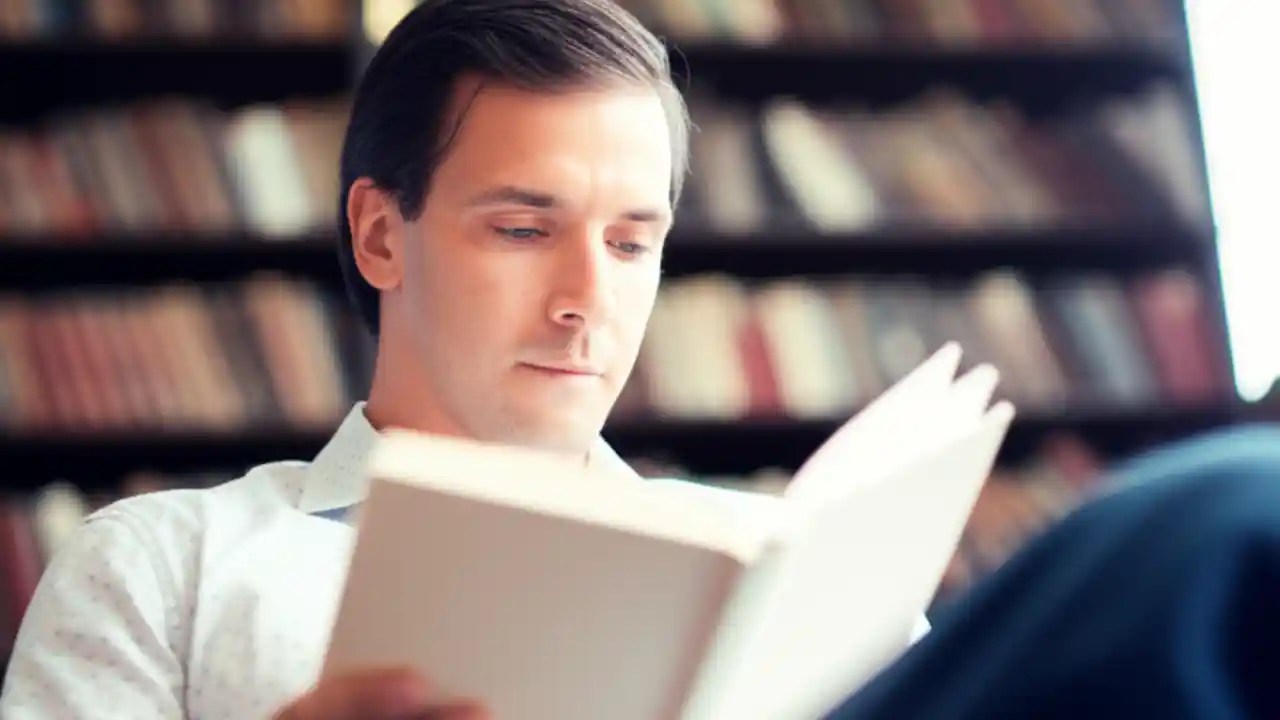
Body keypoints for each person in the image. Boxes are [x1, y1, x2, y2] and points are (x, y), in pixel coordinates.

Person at [2, 2, 1277, 720]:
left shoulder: (777, 578)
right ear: (381, 231)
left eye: (631, 241)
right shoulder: (163, 563)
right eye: (522, 228)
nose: (584, 302)